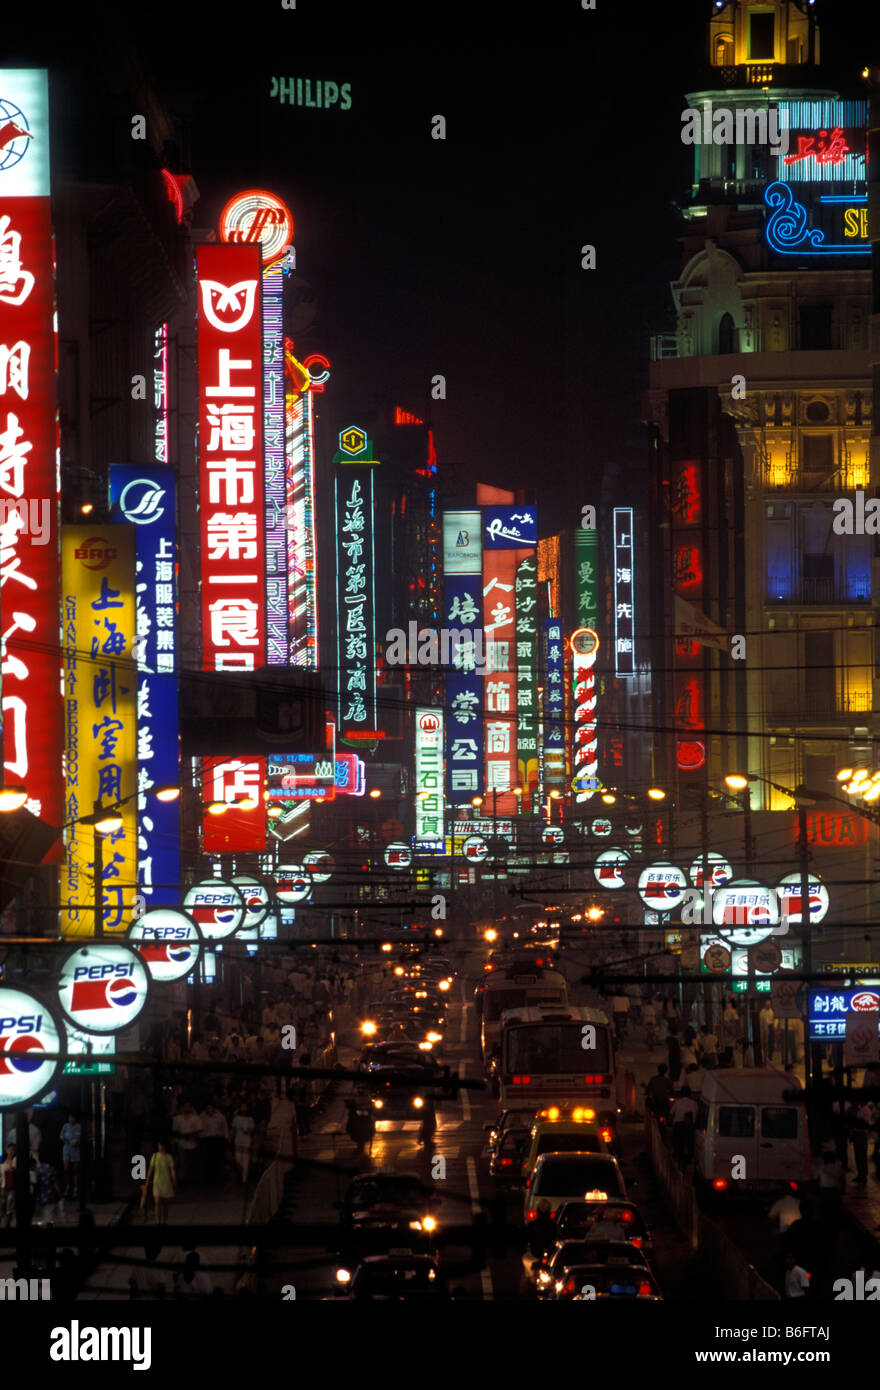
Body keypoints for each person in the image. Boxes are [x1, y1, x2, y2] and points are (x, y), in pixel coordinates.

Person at [143, 1141, 176, 1224]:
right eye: (159, 1145)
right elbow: (151, 1169)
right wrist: (147, 1182)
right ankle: (158, 1222)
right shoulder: (155, 1156)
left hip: (166, 1182)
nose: (160, 1147)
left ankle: (164, 1222)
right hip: (157, 1182)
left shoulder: (169, 1157)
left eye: (162, 1145)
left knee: (165, 1204)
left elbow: (172, 1170)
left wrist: (174, 1180)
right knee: (157, 1203)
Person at [172, 1102, 202, 1186]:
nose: (186, 1108)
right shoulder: (177, 1118)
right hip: (181, 1143)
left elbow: (199, 1129)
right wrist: (182, 1135)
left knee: (191, 1162)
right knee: (182, 1162)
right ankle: (181, 1179)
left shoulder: (195, 1118)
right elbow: (175, 1130)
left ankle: (191, 1179)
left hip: (193, 1143)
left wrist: (191, 1134)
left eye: (188, 1107)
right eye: (185, 1107)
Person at [199, 1104, 229, 1185]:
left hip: (218, 1140)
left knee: (218, 1159)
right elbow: (201, 1128)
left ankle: (218, 1178)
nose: (209, 1110)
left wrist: (226, 1138)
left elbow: (225, 1128)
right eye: (207, 1108)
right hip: (208, 1140)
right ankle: (209, 1178)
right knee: (208, 1159)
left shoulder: (220, 1116)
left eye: (210, 1108)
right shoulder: (203, 1116)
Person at [670, 1087, 697, 1168]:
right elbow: (697, 1115)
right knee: (690, 1143)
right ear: (690, 1094)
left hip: (678, 1126)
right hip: (690, 1127)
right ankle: (690, 1157)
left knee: (675, 1141)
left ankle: (676, 1153)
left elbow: (671, 1114)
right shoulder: (694, 1103)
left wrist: (670, 1121)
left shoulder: (677, 1102)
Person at [32, 1153, 62, 1226]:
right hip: (50, 1196)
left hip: (39, 1197)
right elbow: (55, 1184)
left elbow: (34, 1182)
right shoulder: (51, 1169)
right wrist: (60, 1195)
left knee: (38, 1218)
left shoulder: (37, 1170)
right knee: (48, 1218)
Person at [231, 1103, 255, 1184]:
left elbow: (252, 1130)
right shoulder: (236, 1118)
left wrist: (247, 1131)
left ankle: (244, 1179)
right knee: (238, 1160)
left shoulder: (250, 1119)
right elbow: (233, 1129)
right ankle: (241, 1175)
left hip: (247, 1142)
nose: (244, 1108)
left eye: (245, 1106)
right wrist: (230, 1138)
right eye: (242, 1106)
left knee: (246, 1160)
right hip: (238, 1141)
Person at [60, 1113, 81, 1198]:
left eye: (72, 1118)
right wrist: (64, 1138)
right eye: (70, 1118)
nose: (71, 1119)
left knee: (75, 1170)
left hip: (76, 1150)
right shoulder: (65, 1126)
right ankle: (68, 1186)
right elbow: (61, 1136)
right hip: (67, 1149)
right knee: (66, 1168)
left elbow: (83, 1138)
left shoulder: (79, 1126)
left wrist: (77, 1142)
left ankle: (75, 1188)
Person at [0, 1143, 16, 1227]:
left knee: (9, 1207)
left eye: (12, 1150)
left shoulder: (15, 1162)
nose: (11, 1151)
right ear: (6, 1150)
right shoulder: (2, 1163)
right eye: (9, 1149)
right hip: (3, 1187)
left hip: (11, 1188)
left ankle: (8, 1224)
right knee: (2, 1206)